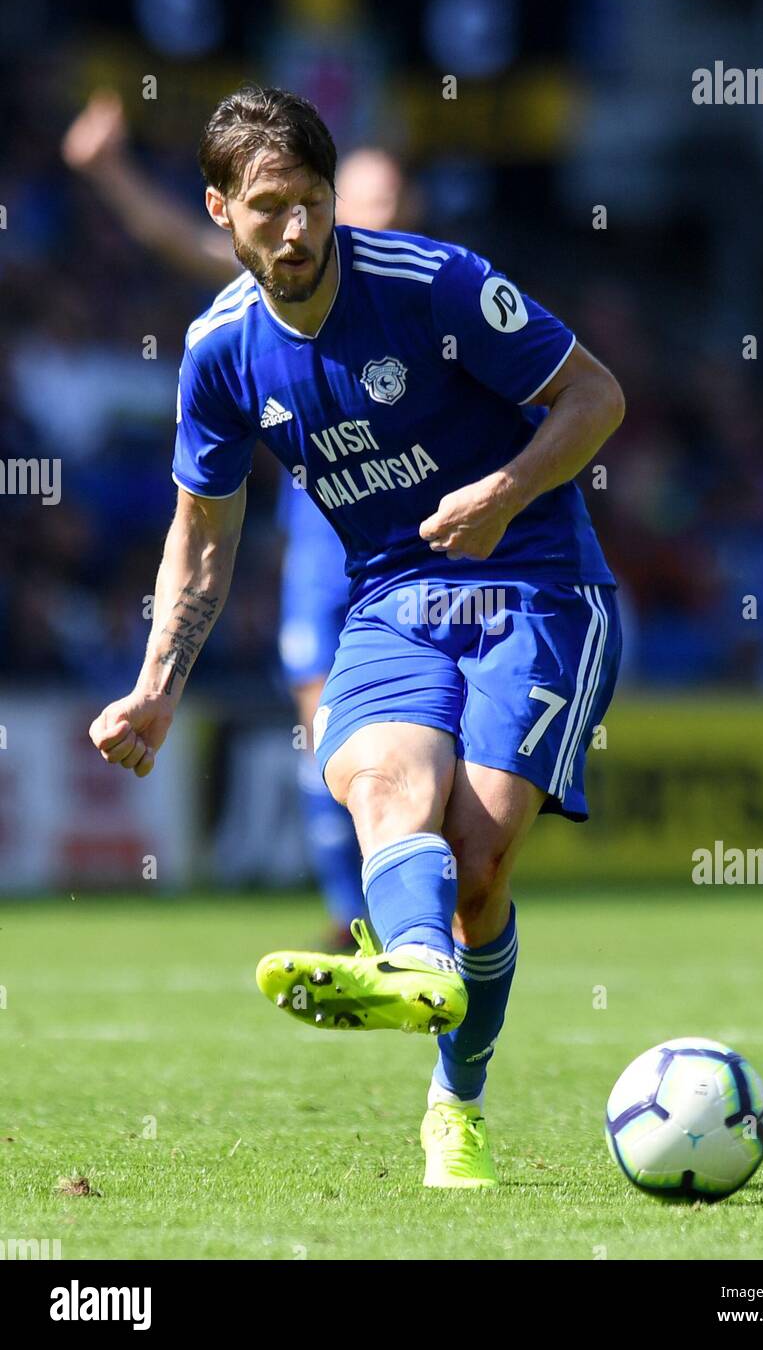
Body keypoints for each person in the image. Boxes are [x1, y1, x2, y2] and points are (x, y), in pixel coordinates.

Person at [89, 85, 625, 1188]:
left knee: (477, 863)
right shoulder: (219, 352)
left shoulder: (436, 285)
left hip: (531, 583)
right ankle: (415, 962)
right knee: (379, 783)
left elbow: (595, 397)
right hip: (388, 598)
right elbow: (200, 537)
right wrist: (154, 689)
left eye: (313, 202)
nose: (296, 229)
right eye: (270, 206)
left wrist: (504, 492)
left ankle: (455, 1098)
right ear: (219, 210)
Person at [64, 95, 418, 946]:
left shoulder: (421, 292)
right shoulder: (263, 289)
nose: (302, 229)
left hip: (434, 548)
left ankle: (415, 907)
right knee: (323, 726)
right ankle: (351, 916)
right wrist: (108, 171)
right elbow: (175, 237)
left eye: (375, 206)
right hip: (326, 546)